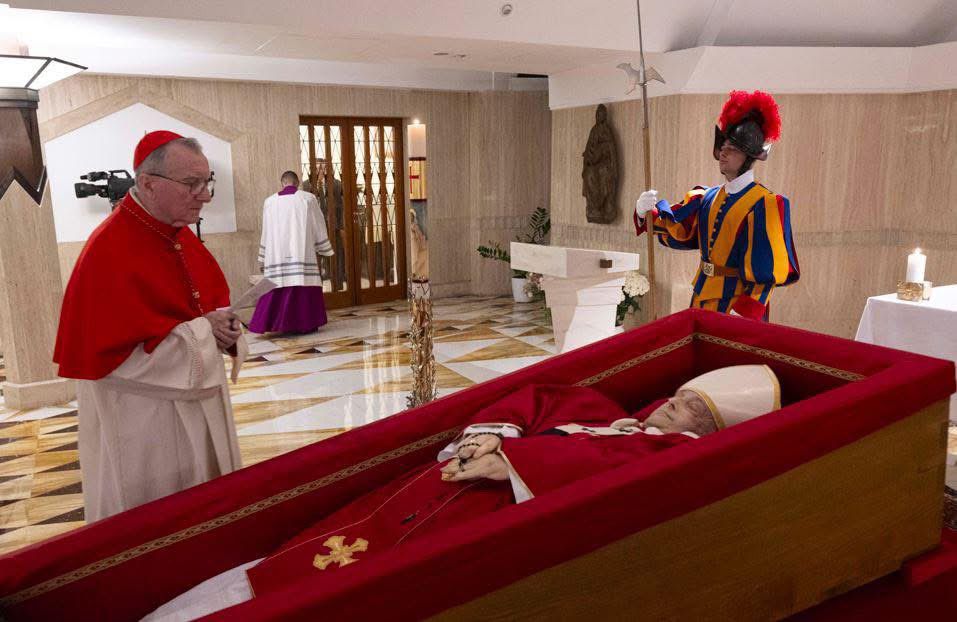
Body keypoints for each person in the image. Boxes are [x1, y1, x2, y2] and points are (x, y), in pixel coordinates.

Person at [143, 365, 779, 621]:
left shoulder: (673, 453)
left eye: (692, 406)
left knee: (344, 586)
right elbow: (544, 396)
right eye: (680, 392)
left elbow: (622, 474)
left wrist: (519, 460)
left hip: (486, 513)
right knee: (311, 548)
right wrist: (490, 435)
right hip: (445, 482)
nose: (672, 403)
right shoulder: (614, 413)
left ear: (711, 430)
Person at [53, 130, 245, 522]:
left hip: (195, 400)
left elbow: (204, 308)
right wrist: (203, 333)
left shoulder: (177, 235)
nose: (205, 195)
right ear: (148, 183)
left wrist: (224, 330)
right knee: (158, 518)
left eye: (206, 182)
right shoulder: (108, 249)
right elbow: (116, 361)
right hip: (144, 418)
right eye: (192, 184)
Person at [634, 90, 800, 320]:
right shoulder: (706, 197)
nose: (723, 153)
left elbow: (767, 273)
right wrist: (645, 213)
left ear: (748, 157)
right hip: (700, 299)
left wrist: (745, 313)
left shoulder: (766, 204)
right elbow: (678, 231)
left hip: (736, 309)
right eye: (723, 148)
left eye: (731, 150)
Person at [249, 170, 334, 334]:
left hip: (277, 253)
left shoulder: (269, 202)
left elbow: (266, 230)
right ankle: (305, 323)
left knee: (277, 283)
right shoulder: (308, 199)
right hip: (300, 250)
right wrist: (322, 245)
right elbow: (318, 223)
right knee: (302, 281)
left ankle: (274, 324)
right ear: (297, 183)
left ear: (282, 183)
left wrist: (264, 254)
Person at [314, 158, 346, 289]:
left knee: (335, 256)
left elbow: (342, 206)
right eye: (318, 168)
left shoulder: (337, 185)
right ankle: (317, 287)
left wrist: (341, 226)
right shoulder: (307, 186)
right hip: (316, 229)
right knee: (316, 259)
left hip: (334, 227)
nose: (321, 171)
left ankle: (337, 286)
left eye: (324, 168)